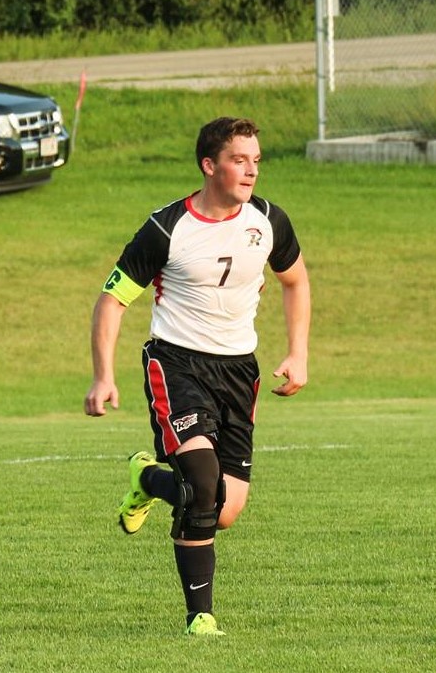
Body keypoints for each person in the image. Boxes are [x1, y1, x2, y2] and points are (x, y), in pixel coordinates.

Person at [84, 117, 311, 636]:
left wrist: (298, 353)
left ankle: (146, 478)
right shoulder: (166, 228)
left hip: (240, 371)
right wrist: (103, 376)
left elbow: (295, 282)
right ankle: (200, 617)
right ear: (209, 166)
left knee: (224, 510)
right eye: (239, 159)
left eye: (256, 160)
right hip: (177, 363)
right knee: (202, 486)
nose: (251, 170)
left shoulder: (270, 221)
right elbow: (112, 300)